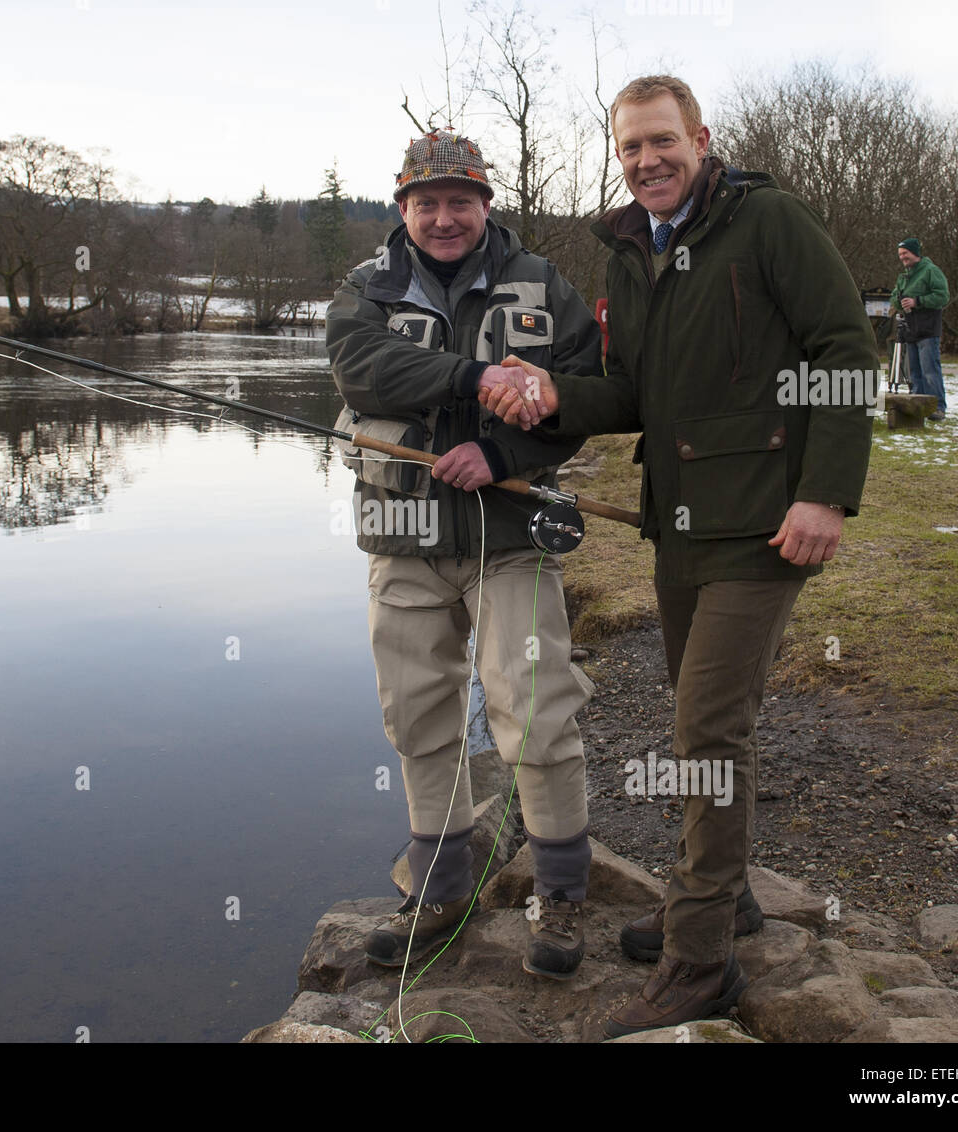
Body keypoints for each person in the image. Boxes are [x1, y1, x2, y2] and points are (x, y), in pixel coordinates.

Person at [480, 75, 876, 1035]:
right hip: (679, 527)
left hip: (766, 524)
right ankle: (725, 895)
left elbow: (845, 347)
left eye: (663, 141)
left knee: (706, 730)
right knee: (700, 722)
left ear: (700, 138)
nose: (647, 161)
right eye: (629, 148)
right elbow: (630, 396)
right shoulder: (630, 252)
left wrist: (826, 493)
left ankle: (702, 962)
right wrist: (553, 394)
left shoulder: (768, 221)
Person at [324, 130, 605, 980]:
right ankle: (439, 890)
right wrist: (473, 380)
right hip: (402, 539)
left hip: (512, 539)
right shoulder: (363, 291)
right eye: (426, 203)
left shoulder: (545, 287)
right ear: (402, 209)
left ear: (486, 205)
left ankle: (559, 895)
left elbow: (583, 393)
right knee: (416, 714)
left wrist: (506, 458)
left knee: (535, 707)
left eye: (460, 201)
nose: (444, 218)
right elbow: (359, 367)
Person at [888, 236, 950, 420]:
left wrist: (917, 301)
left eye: (905, 253)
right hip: (911, 330)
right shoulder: (903, 277)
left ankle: (937, 406)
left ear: (915, 253)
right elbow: (893, 298)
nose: (902, 257)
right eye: (900, 254)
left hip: (928, 329)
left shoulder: (931, 271)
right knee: (914, 372)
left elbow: (942, 296)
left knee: (930, 370)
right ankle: (917, 406)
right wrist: (901, 303)